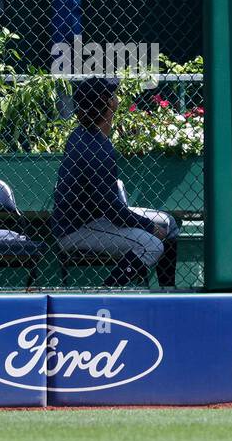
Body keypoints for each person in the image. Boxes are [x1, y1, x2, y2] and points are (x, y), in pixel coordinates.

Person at [52, 77, 179, 286]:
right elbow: (112, 210)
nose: (116, 97)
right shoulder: (94, 148)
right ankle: (107, 293)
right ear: (109, 102)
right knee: (152, 245)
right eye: (112, 94)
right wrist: (148, 227)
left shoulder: (84, 135)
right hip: (77, 228)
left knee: (169, 223)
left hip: (96, 218)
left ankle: (168, 292)